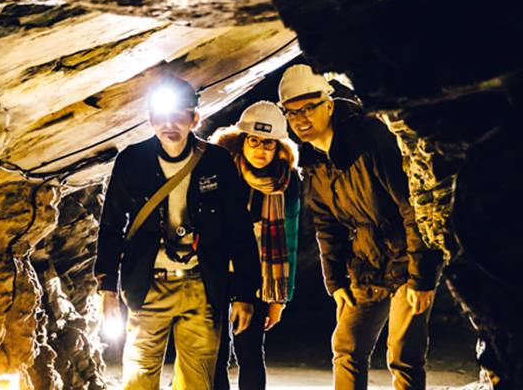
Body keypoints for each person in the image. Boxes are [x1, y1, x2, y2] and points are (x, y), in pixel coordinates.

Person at [278, 64, 445, 390]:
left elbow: (411, 206)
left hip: (406, 259)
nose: (300, 118)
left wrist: (422, 277)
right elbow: (327, 228)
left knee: (403, 353)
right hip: (365, 264)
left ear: (328, 104)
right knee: (347, 346)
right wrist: (336, 281)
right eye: (291, 112)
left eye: (308, 108)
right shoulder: (313, 162)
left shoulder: (370, 138)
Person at [96, 76, 260, 390]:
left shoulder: (216, 162)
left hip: (201, 285)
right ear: (150, 118)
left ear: (194, 118)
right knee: (139, 379)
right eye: (161, 115)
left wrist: (243, 295)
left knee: (198, 380)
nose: (169, 124)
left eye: (179, 115)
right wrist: (108, 289)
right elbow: (111, 225)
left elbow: (238, 230)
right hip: (147, 286)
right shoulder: (133, 160)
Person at [210, 101, 302, 390]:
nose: (261, 151)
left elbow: (290, 237)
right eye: (254, 141)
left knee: (249, 350)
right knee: (215, 350)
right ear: (242, 141)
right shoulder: (221, 172)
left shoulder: (285, 182)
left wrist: (279, 299)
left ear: (278, 148)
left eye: (269, 144)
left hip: (261, 276)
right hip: (217, 269)